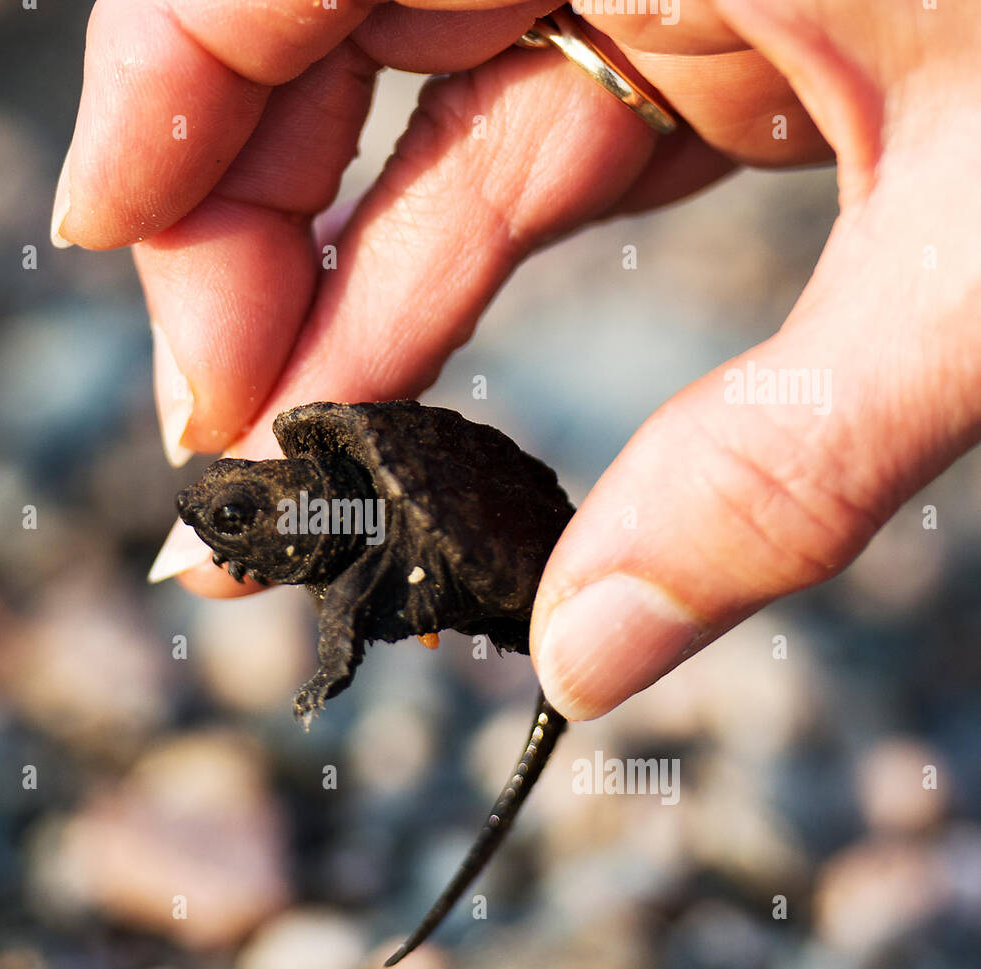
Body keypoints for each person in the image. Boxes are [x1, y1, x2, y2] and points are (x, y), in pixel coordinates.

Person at [51, 0, 981, 720]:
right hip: (472, 539)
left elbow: (355, 594)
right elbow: (348, 576)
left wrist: (334, 654)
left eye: (239, 506)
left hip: (496, 554)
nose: (226, 512)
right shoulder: (331, 502)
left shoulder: (319, 446)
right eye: (234, 516)